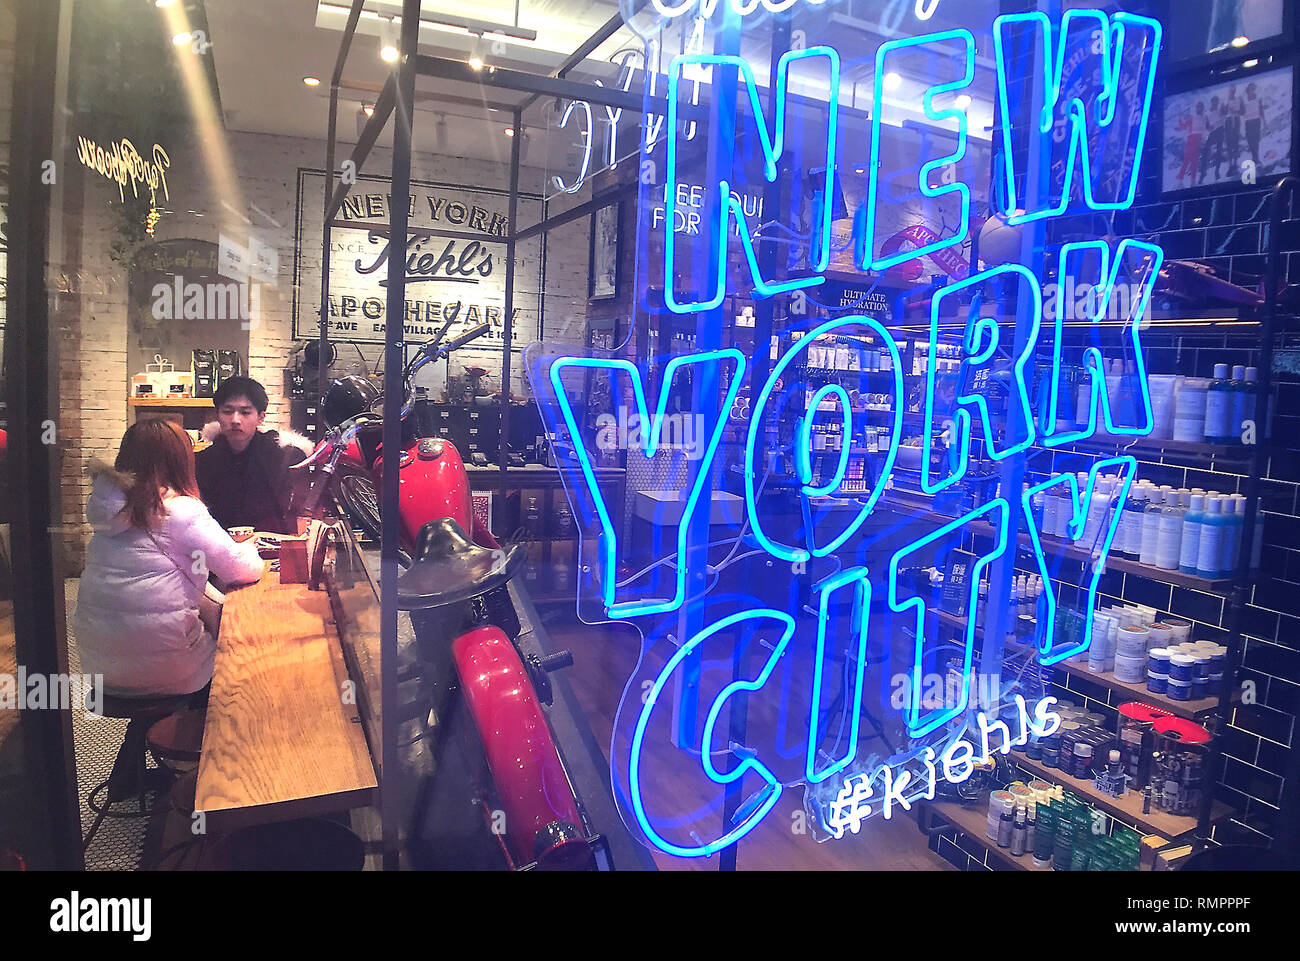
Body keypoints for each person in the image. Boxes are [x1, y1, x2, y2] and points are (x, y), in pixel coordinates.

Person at [74, 419, 264, 698]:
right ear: (180, 460)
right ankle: (197, 729)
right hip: (168, 672)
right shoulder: (179, 510)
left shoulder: (106, 507)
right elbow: (240, 569)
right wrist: (251, 548)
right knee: (243, 652)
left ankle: (143, 733)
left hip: (100, 668)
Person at [195, 376, 313, 534]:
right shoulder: (202, 462)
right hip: (217, 549)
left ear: (261, 417)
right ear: (217, 414)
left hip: (269, 547)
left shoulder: (283, 459)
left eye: (245, 412)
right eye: (228, 412)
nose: (235, 420)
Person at [1244, 82, 1265, 169]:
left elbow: (1261, 109)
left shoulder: (1258, 98)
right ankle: (1254, 157)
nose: (1252, 90)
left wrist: (1264, 120)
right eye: (1250, 88)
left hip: (1256, 121)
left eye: (1253, 88)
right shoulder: (1244, 99)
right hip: (1248, 122)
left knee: (1256, 140)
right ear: (1248, 89)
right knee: (1250, 140)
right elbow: (1241, 111)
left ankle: (1256, 158)